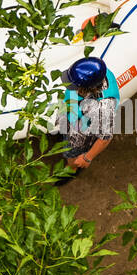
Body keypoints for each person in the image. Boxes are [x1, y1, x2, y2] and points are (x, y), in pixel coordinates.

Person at [51, 56, 118, 184]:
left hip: (83, 126)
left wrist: (87, 158)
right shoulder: (96, 72)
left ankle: (72, 169)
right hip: (76, 109)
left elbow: (105, 137)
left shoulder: (103, 106)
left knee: (72, 151)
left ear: (87, 89)